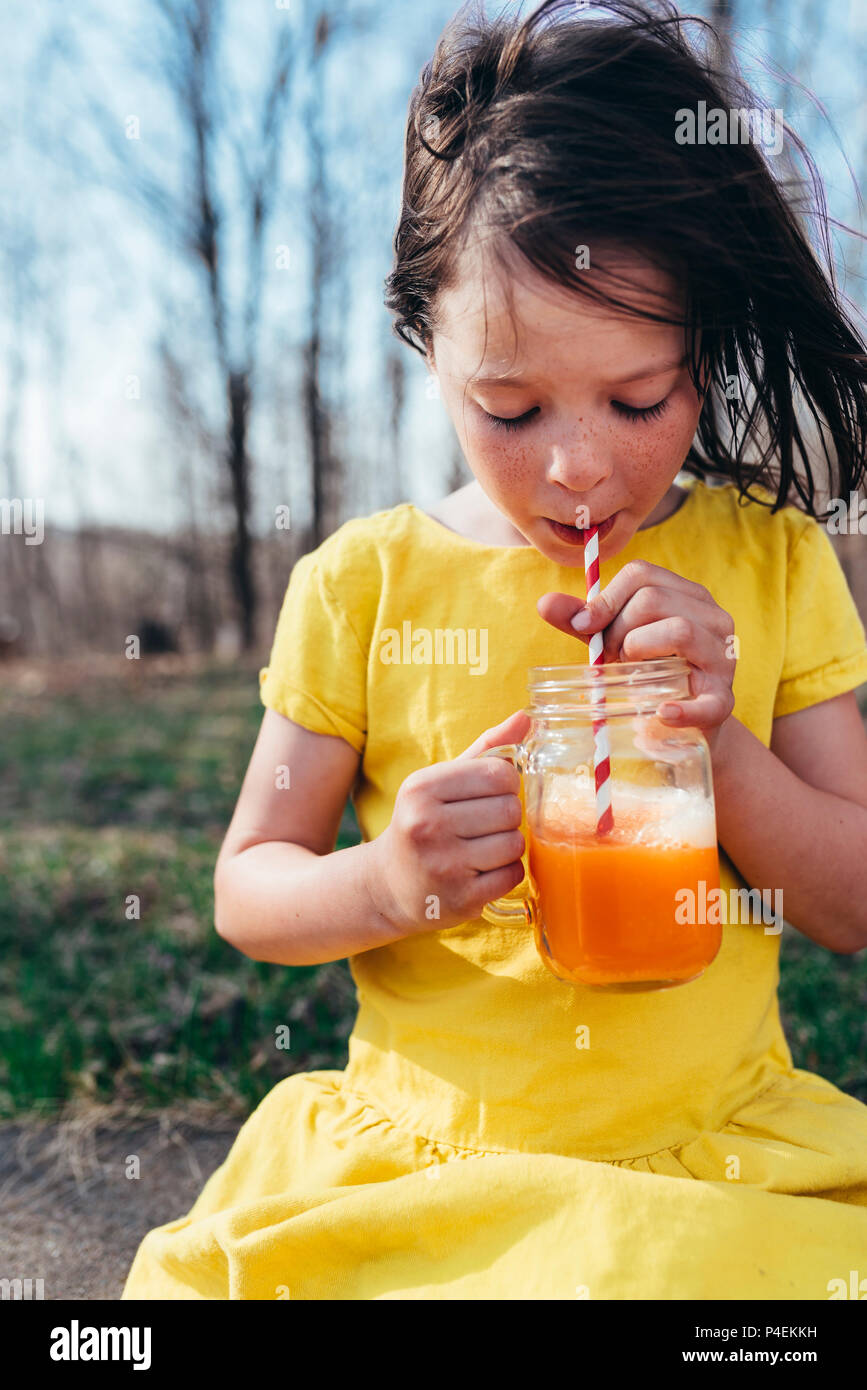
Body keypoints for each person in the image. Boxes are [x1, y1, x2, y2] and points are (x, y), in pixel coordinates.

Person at [122, 0, 867, 1300]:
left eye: (639, 398)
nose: (579, 465)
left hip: (705, 1171)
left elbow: (852, 907)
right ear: (427, 348)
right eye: (510, 408)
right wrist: (389, 879)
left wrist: (723, 745)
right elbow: (249, 885)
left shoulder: (774, 564)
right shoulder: (361, 584)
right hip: (431, 1167)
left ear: (703, 353)